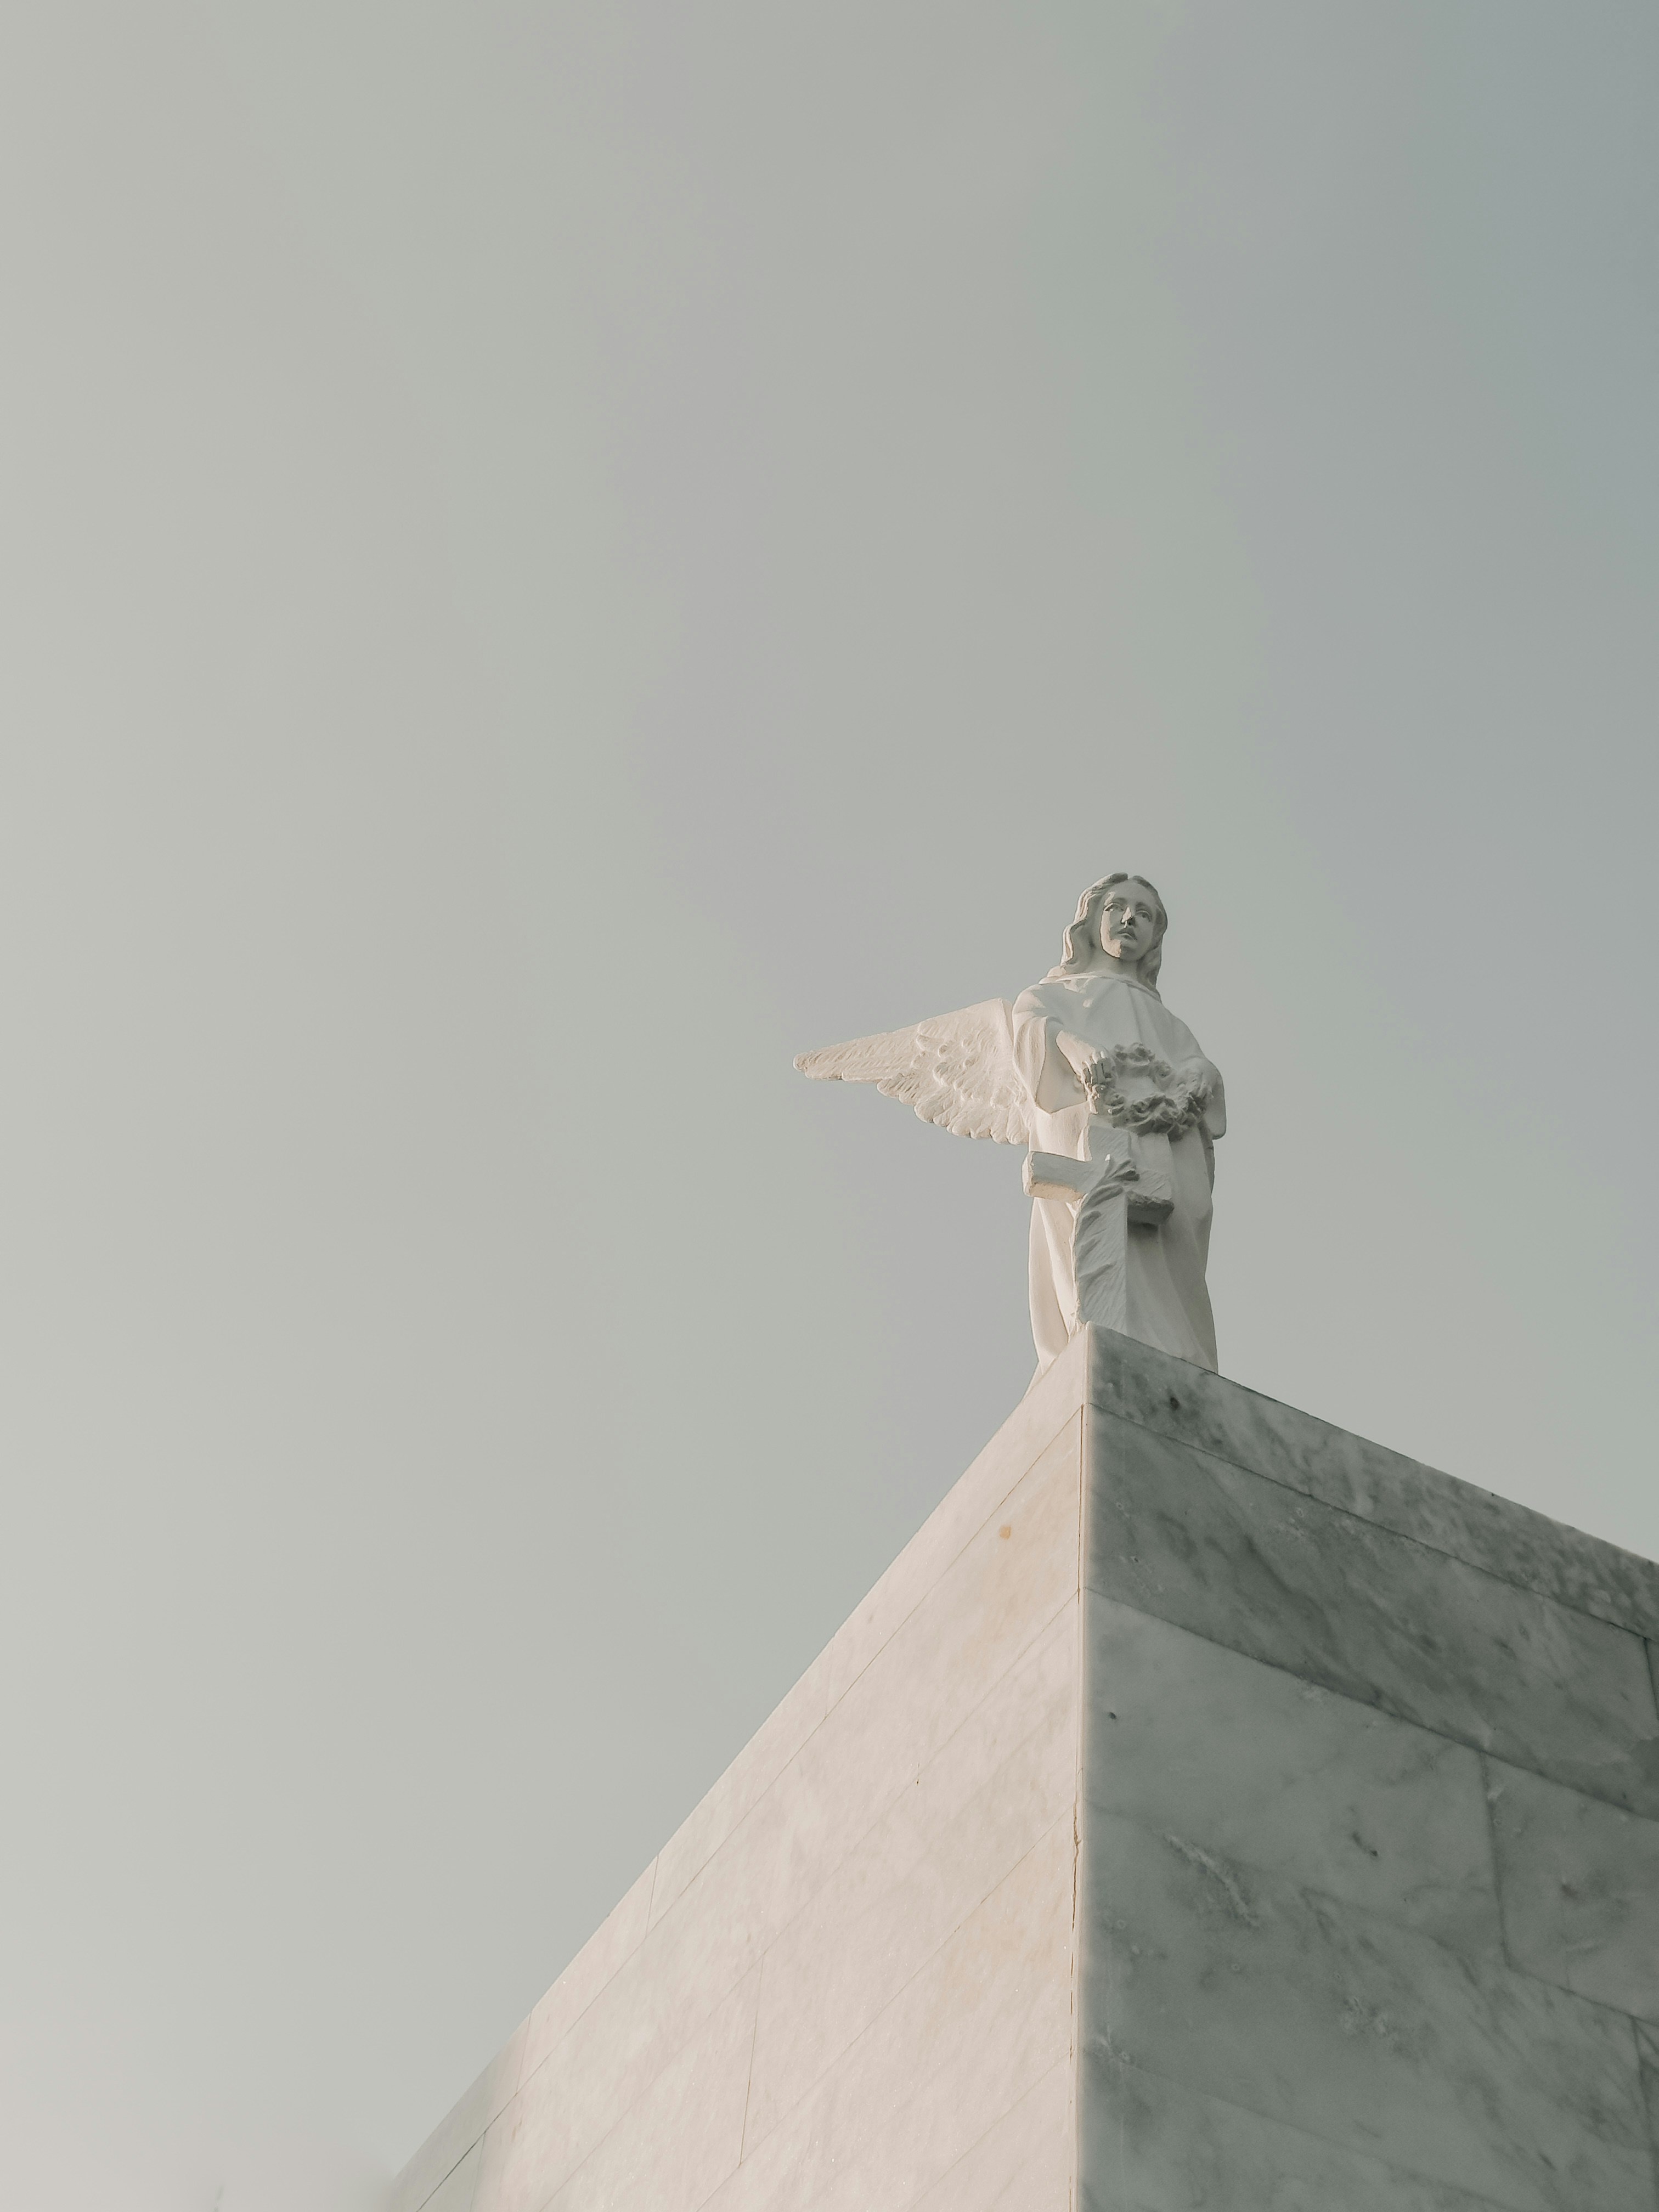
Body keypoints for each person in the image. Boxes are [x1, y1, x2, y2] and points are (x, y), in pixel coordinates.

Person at [1012, 873, 1225, 1375]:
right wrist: (1071, 1045)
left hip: (1165, 1143)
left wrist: (1199, 1074)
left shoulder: (1168, 1021)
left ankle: (1180, 1351)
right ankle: (1092, 1335)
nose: (1130, 919)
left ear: (1156, 937)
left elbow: (1201, 1072)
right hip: (1090, 1126)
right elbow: (1029, 1036)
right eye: (1117, 907)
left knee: (1174, 1229)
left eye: (1145, 913)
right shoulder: (1056, 995)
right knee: (1094, 1225)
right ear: (1091, 920)